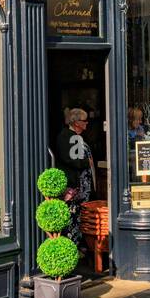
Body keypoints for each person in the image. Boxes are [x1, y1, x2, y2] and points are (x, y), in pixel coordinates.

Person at [54, 107, 93, 249]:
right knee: (73, 217)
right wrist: (86, 162)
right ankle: (72, 246)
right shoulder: (67, 136)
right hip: (74, 186)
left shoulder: (76, 137)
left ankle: (78, 245)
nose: (87, 123)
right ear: (76, 122)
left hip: (81, 186)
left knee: (79, 217)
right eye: (84, 121)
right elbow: (71, 159)